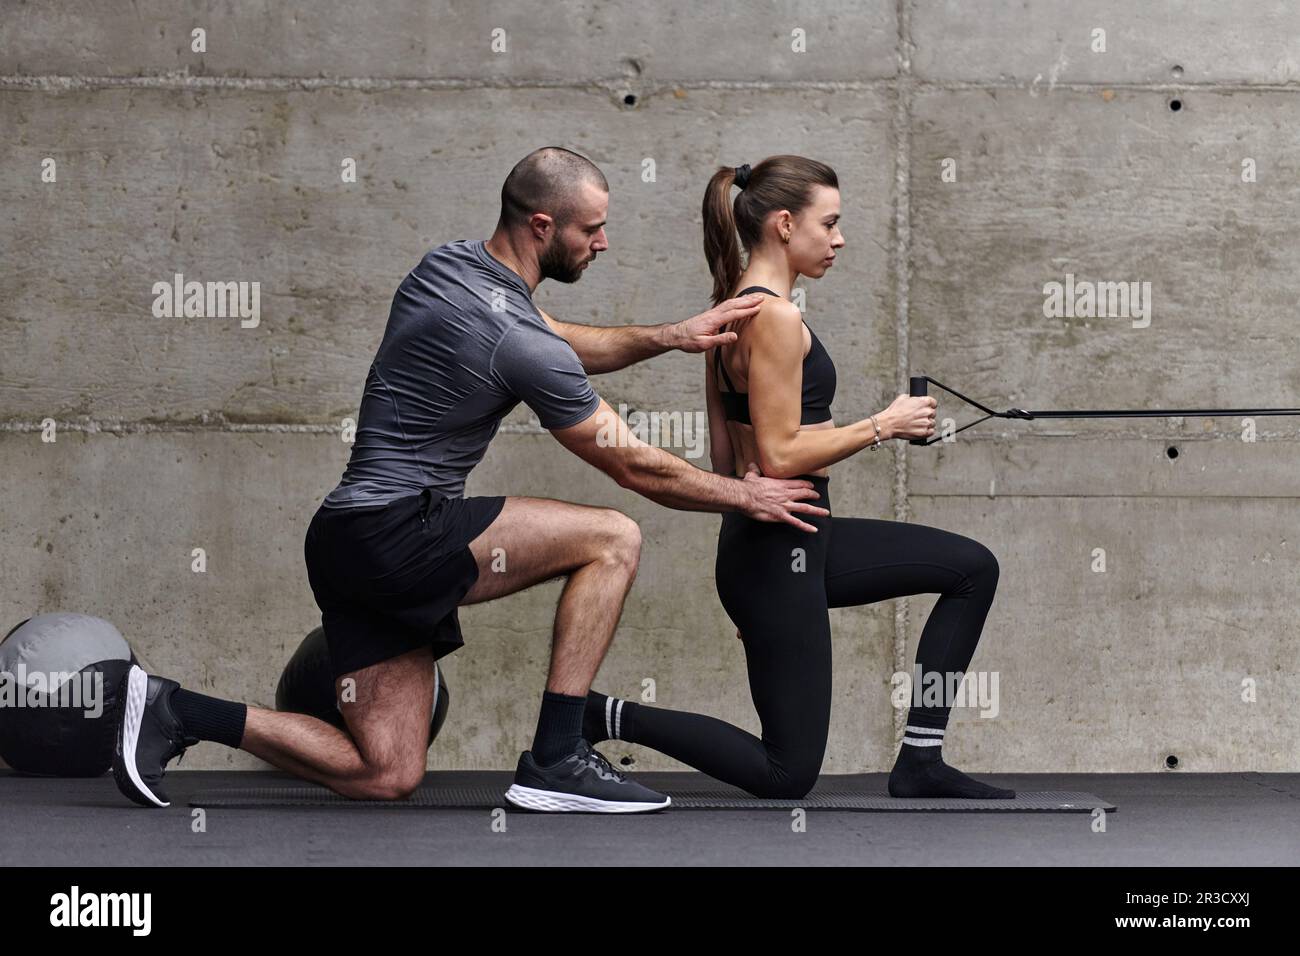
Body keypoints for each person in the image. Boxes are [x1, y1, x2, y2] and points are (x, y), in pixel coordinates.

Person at [112, 146, 831, 814]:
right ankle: (556, 756)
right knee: (612, 539)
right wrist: (744, 493)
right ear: (543, 224)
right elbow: (634, 464)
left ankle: (177, 710)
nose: (602, 244)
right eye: (592, 230)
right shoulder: (515, 340)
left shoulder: (449, 268)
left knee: (386, 772)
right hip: (401, 532)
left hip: (343, 541)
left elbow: (557, 337)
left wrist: (667, 336)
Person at [583, 155, 1015, 799]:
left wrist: (763, 589)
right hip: (779, 549)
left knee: (971, 568)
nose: (839, 239)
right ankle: (598, 714)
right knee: (787, 773)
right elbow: (780, 457)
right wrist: (885, 424)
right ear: (785, 224)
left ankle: (921, 759)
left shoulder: (726, 312)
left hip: (785, 544)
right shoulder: (777, 319)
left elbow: (730, 459)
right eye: (831, 223)